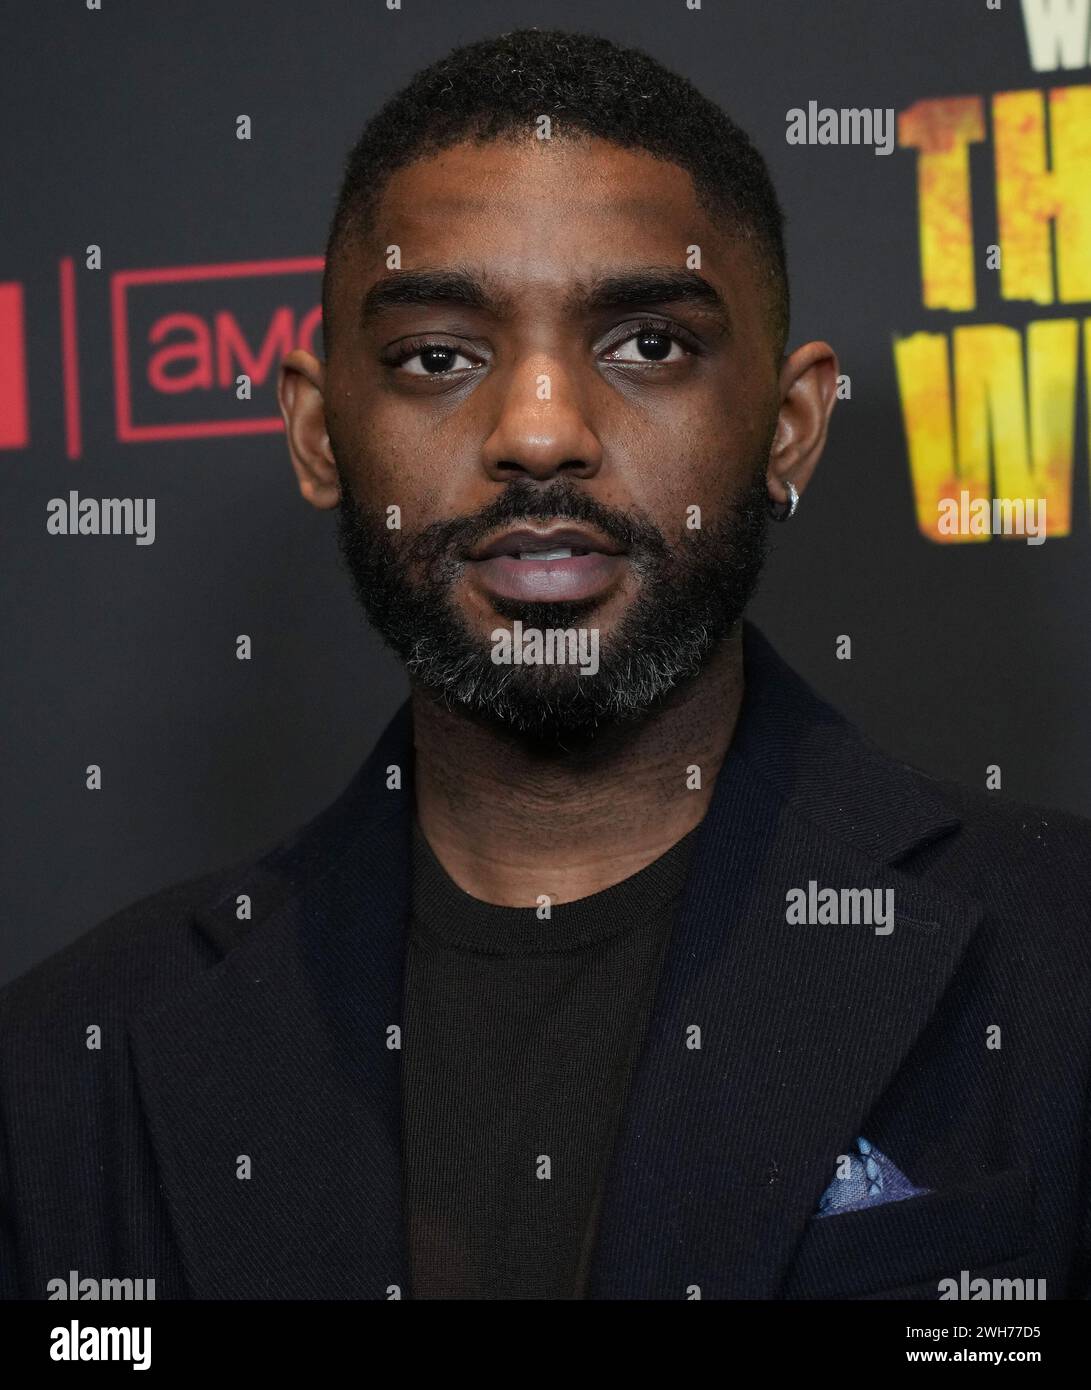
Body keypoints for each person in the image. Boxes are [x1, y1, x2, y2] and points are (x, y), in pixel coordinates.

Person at [2, 27, 1090, 1302]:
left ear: (789, 430)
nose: (536, 431)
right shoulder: (65, 1066)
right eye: (435, 358)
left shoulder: (1060, 960)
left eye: (645, 346)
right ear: (315, 433)